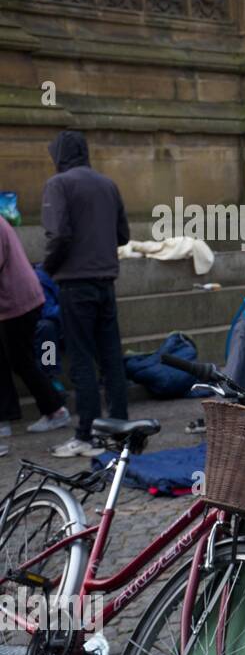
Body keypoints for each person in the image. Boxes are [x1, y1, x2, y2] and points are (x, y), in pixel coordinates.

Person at [41, 130, 130, 458]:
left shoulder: (59, 184)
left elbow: (59, 235)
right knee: (111, 358)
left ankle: (87, 434)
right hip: (106, 281)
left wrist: (47, 267)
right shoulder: (108, 184)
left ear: (59, 155)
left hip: (75, 284)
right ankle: (121, 428)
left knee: (82, 360)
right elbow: (123, 235)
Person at [0, 216, 70, 455]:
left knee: (23, 358)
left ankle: (55, 405)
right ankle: (46, 408)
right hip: (20, 303)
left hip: (19, 304)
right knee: (18, 359)